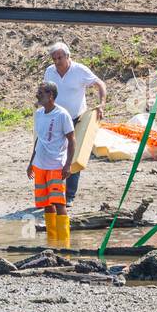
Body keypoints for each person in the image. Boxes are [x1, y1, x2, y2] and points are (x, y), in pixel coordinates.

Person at [42, 42, 105, 208]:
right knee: (54, 156)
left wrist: (102, 104)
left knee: (74, 156)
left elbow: (100, 84)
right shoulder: (50, 71)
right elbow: (45, 91)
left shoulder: (79, 70)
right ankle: (54, 193)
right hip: (56, 119)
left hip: (76, 118)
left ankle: (69, 195)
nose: (57, 61)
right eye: (54, 58)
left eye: (60, 57)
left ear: (68, 56)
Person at [27, 80, 75, 244]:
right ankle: (52, 242)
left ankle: (65, 244)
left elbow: (72, 140)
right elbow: (38, 139)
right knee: (46, 203)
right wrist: (30, 163)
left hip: (56, 165)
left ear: (51, 95)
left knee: (58, 202)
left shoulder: (62, 114)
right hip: (40, 165)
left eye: (41, 93)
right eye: (38, 92)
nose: (37, 95)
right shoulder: (39, 114)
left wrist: (68, 164)